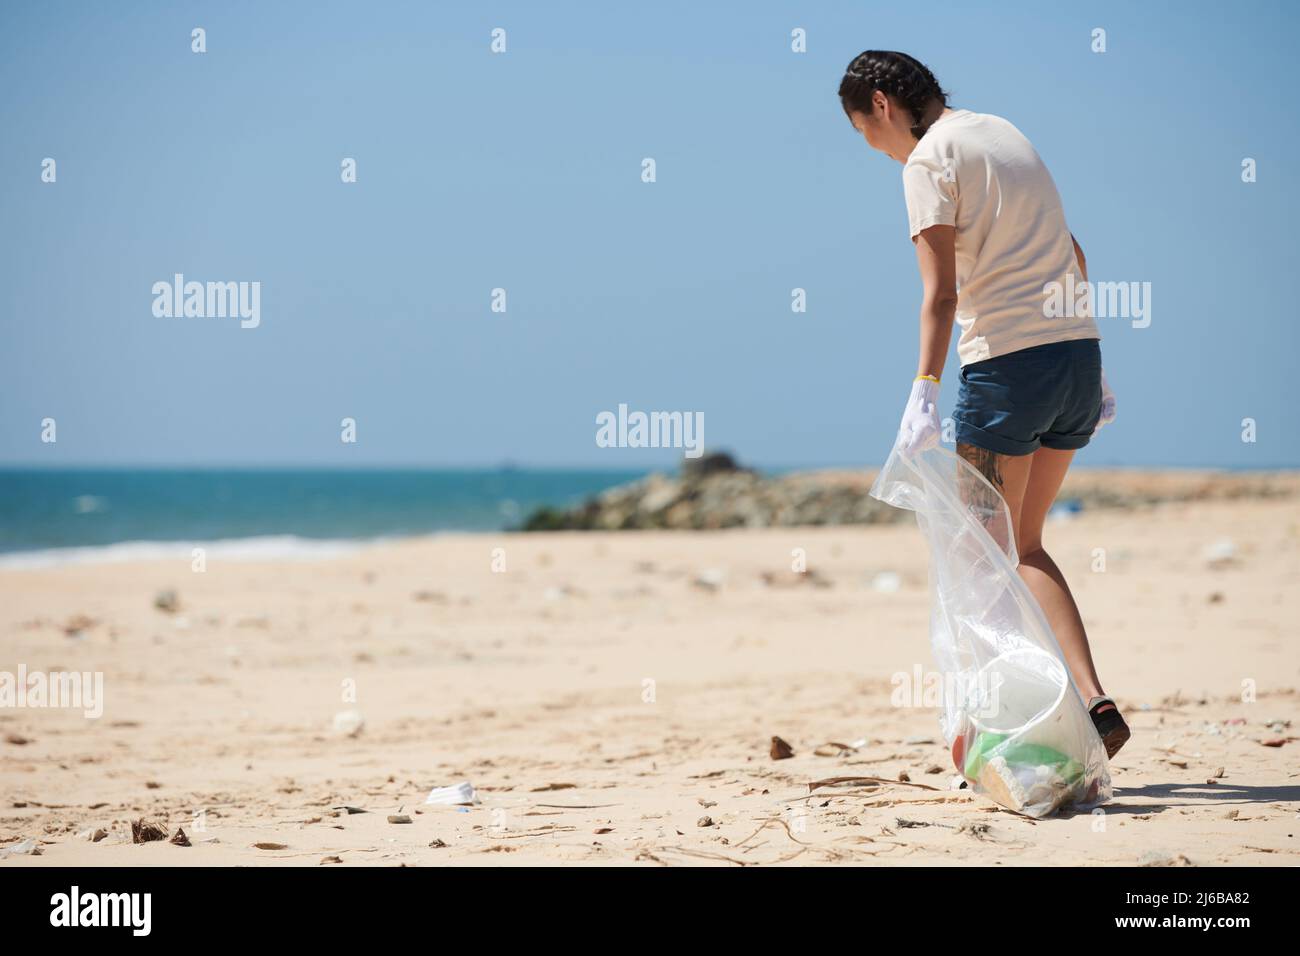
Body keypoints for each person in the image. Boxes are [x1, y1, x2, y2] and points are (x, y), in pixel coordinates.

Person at [840, 50, 1129, 757]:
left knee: (978, 560)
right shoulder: (1002, 132)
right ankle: (1094, 701)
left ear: (881, 103)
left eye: (861, 130)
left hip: (1007, 371)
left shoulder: (928, 160)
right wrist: (1095, 372)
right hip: (1075, 357)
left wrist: (924, 392)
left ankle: (1008, 725)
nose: (871, 148)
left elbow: (939, 293)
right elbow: (1074, 252)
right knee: (1023, 546)